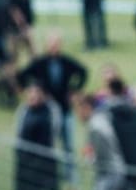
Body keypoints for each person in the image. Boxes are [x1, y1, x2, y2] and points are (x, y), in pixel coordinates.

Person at [18, 32, 88, 166]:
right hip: (47, 112)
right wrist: (32, 90)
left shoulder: (66, 61)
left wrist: (74, 90)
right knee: (48, 145)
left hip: (64, 109)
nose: (53, 47)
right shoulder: (41, 62)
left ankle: (70, 174)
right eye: (51, 44)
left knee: (68, 145)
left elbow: (83, 71)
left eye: (56, 44)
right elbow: (23, 75)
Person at [13, 84, 64, 190]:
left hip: (45, 160)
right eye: (30, 93)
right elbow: (19, 131)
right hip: (25, 160)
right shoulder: (24, 110)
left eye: (36, 93)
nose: (32, 96)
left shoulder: (51, 110)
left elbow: (54, 131)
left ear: (43, 95)